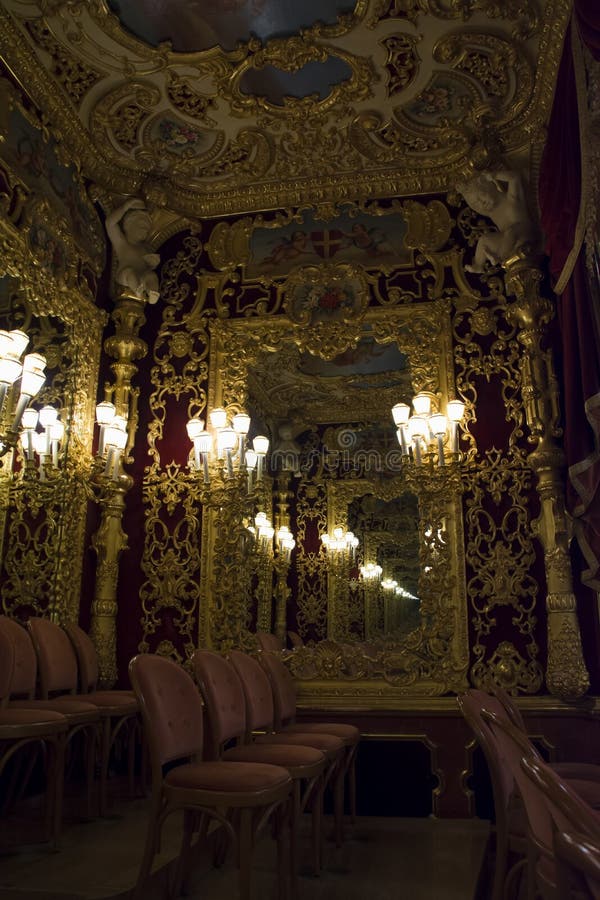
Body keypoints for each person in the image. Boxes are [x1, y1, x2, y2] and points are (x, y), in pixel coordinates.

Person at [457, 169, 539, 273]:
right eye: (476, 203)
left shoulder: (512, 199)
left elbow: (514, 177)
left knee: (511, 232)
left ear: (489, 186)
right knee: (483, 240)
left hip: (525, 232)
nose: (481, 204)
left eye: (481, 196)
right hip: (509, 243)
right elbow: (475, 205)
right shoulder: (492, 212)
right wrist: (464, 192)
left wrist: (494, 175)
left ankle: (501, 257)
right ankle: (478, 265)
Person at [105, 197, 161, 303]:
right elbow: (110, 223)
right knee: (129, 272)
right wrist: (126, 206)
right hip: (125, 276)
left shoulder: (144, 248)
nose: (145, 231)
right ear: (128, 225)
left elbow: (149, 266)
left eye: (147, 229)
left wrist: (152, 262)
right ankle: (138, 290)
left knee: (151, 275)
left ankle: (153, 294)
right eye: (141, 226)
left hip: (142, 276)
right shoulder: (123, 243)